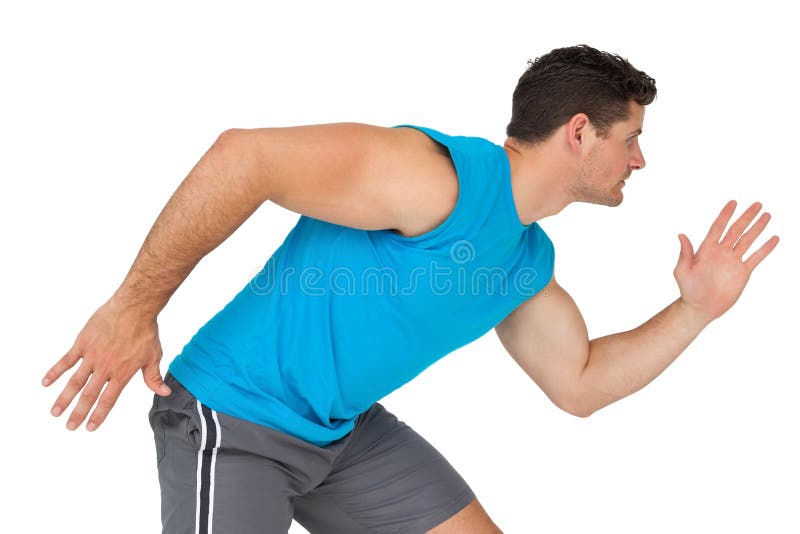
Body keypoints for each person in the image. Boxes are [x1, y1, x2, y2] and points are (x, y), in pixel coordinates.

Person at [42, 44, 779, 533]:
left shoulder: (522, 261)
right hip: (235, 417)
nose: (639, 160)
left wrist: (696, 311)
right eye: (631, 139)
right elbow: (246, 157)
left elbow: (579, 383)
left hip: (341, 433)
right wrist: (134, 307)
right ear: (580, 132)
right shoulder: (439, 177)